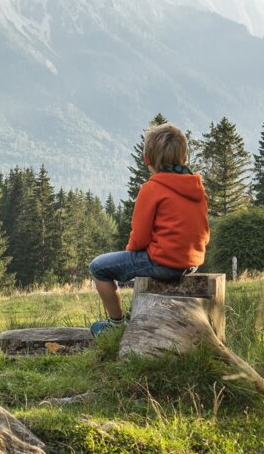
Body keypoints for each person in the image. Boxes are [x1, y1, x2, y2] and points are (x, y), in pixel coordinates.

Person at [89, 121, 209, 336]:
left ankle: (116, 324)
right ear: (183, 157)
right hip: (192, 263)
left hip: (164, 262)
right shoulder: (197, 187)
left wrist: (130, 255)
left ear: (147, 159)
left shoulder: (152, 189)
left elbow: (140, 238)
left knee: (98, 267)